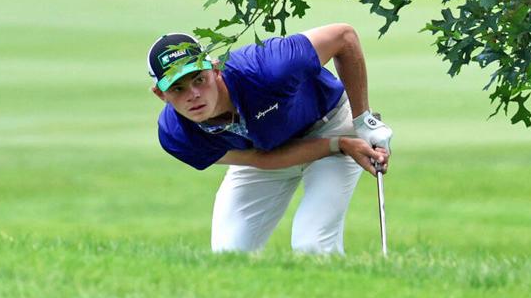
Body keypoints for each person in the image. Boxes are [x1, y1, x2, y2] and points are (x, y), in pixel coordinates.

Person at [148, 25, 393, 254]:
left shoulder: (268, 67)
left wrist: (362, 121)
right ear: (160, 94)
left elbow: (344, 36)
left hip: (331, 123)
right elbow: (260, 160)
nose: (194, 95)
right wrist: (338, 145)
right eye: (177, 88)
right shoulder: (176, 135)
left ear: (214, 69)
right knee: (228, 253)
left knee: (312, 244)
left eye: (199, 79)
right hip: (267, 151)